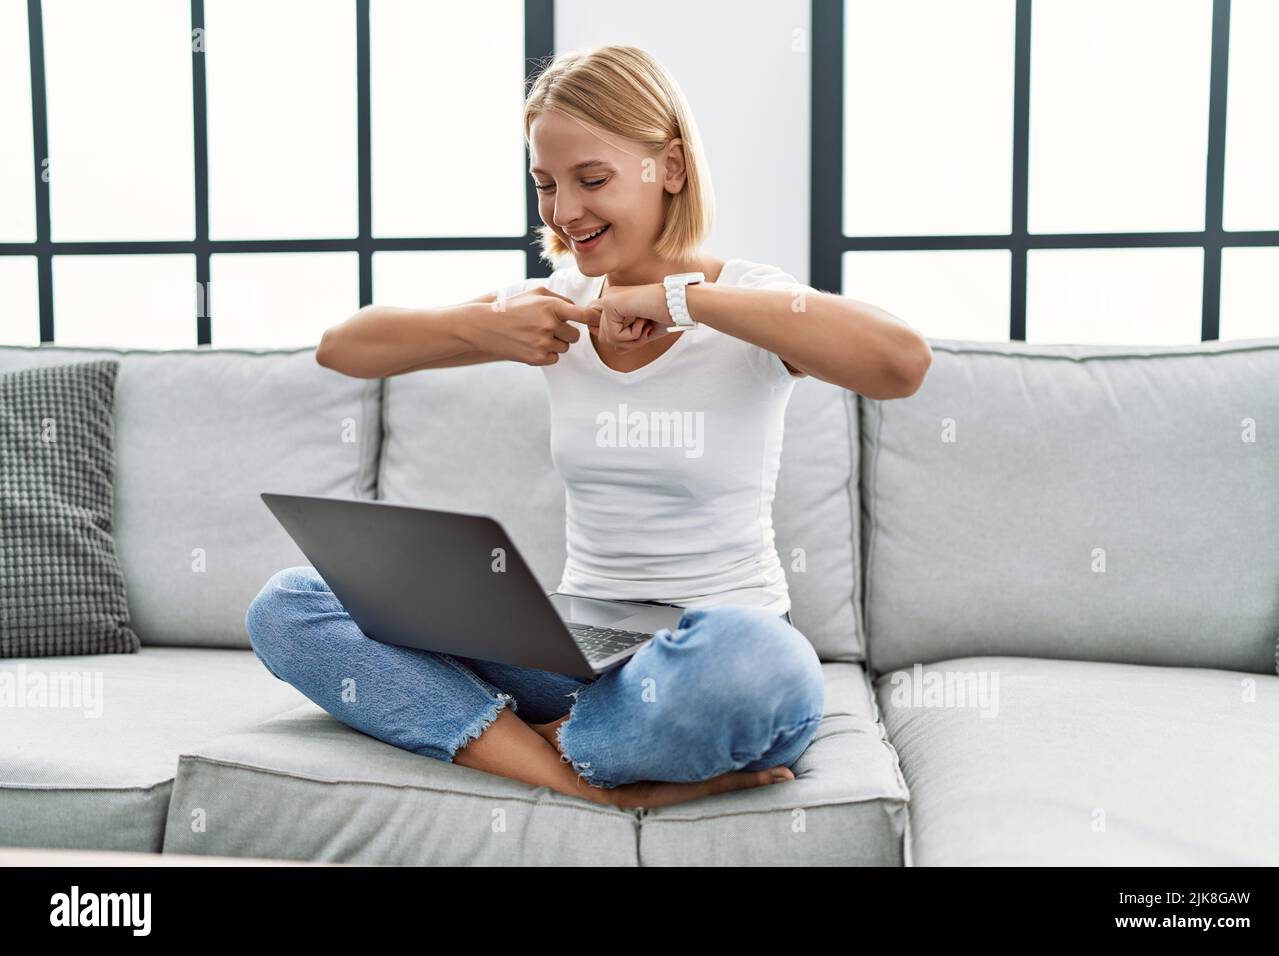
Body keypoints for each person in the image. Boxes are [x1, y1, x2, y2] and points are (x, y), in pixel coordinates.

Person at [247, 45, 931, 811]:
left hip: (707, 655)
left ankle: (511, 734)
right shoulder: (557, 302)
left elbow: (901, 362)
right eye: (545, 185)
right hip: (572, 654)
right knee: (291, 603)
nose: (564, 212)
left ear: (669, 166)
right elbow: (344, 347)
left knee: (761, 663)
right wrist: (488, 326)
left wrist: (679, 302)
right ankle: (592, 778)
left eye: (592, 180)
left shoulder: (746, 303)